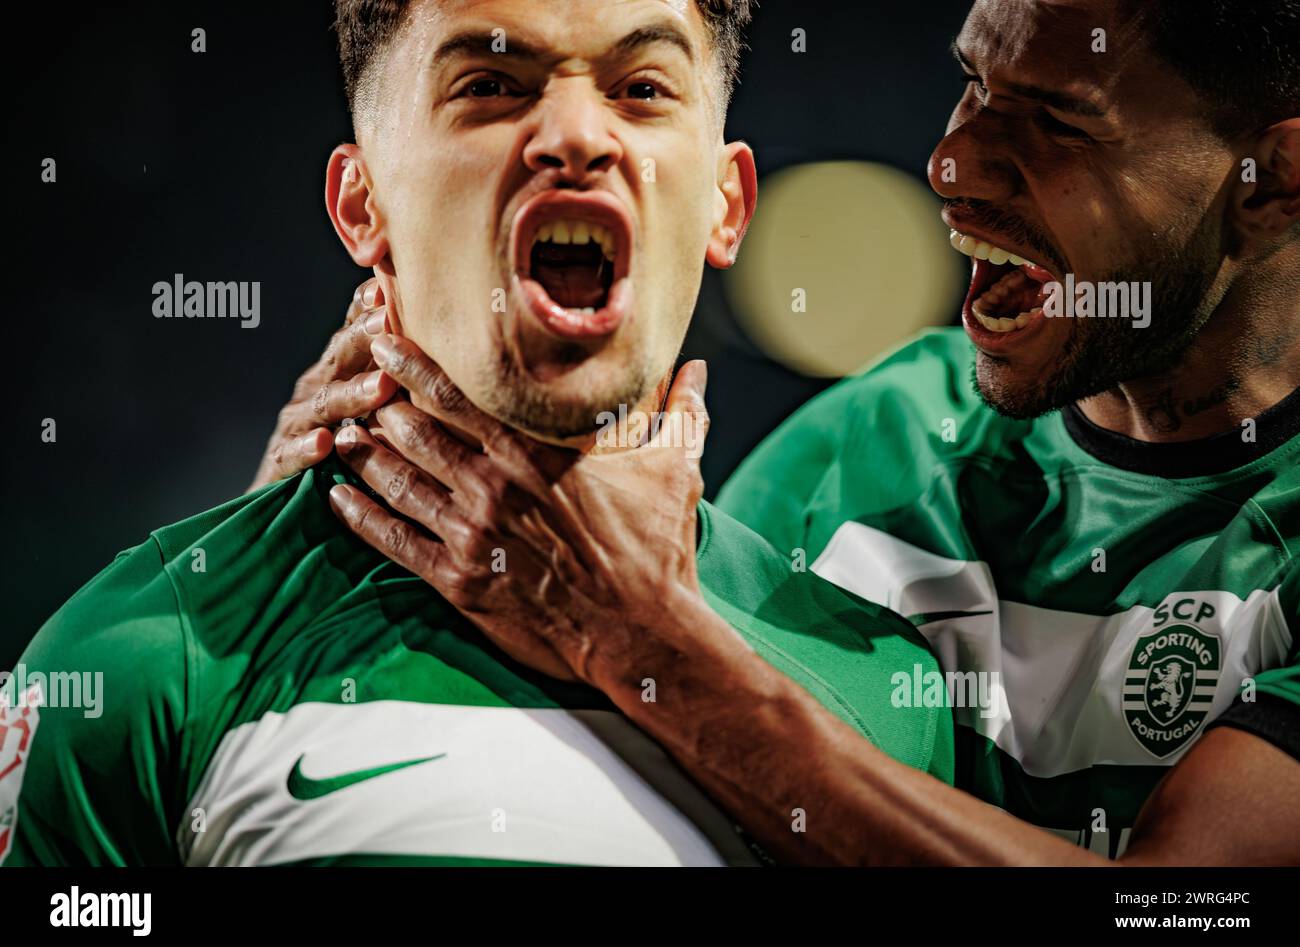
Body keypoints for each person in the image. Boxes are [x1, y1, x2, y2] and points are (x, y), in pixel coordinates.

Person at [317, 0, 1300, 864]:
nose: (951, 163)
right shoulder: (871, 442)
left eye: (1055, 120)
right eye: (972, 85)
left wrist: (645, 638)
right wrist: (299, 527)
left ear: (1271, 180)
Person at [0, 0, 951, 867]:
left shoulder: (886, 702)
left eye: (642, 89)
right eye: (492, 85)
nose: (577, 135)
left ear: (725, 203)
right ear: (360, 204)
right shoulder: (128, 665)